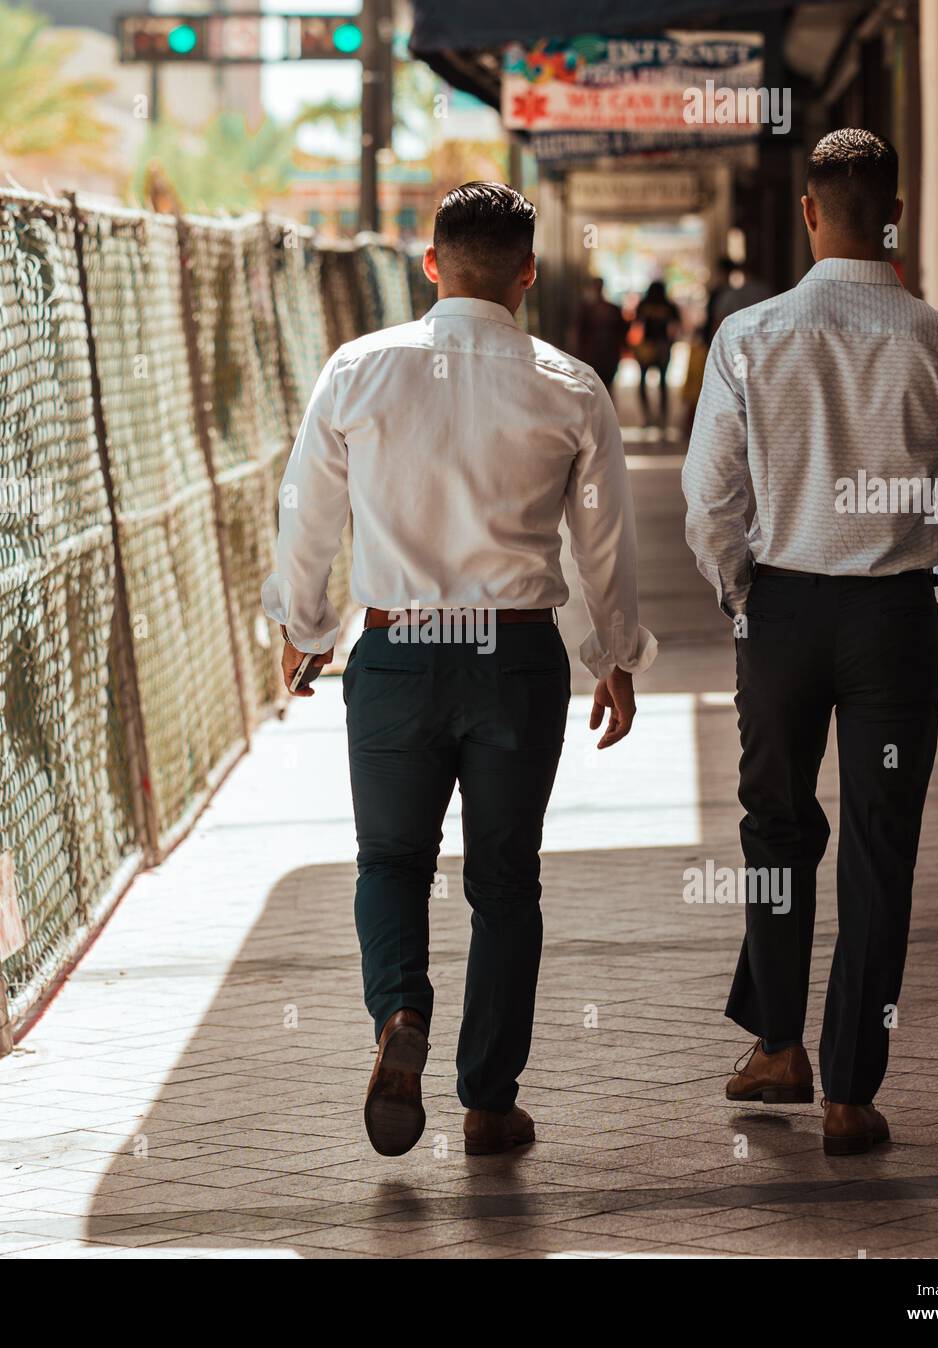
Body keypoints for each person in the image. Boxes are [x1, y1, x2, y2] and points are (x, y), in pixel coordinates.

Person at [262, 182, 657, 1159]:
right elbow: (604, 539)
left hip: (397, 651)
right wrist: (612, 655)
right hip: (515, 654)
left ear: (431, 265)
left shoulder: (357, 369)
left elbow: (306, 510)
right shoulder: (570, 385)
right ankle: (488, 1101)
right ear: (527, 274)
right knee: (505, 883)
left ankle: (399, 1013)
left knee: (390, 861)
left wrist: (305, 624)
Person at [682, 129, 938, 1156]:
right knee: (878, 847)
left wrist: (742, 593)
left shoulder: (748, 335)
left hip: (781, 609)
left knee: (773, 828)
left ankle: (777, 1042)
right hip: (893, 620)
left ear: (810, 212)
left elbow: (710, 497)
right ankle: (849, 1092)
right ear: (892, 212)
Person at [633, 279, 680, 430]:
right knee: (663, 383)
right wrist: (671, 341)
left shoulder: (644, 304)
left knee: (642, 382)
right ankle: (662, 417)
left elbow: (636, 323)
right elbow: (677, 325)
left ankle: (647, 416)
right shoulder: (668, 305)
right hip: (663, 346)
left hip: (647, 346)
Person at [571, 276, 629, 392]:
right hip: (603, 354)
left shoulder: (589, 310)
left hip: (600, 354)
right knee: (603, 388)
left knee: (599, 387)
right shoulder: (595, 309)